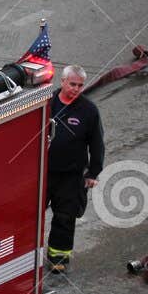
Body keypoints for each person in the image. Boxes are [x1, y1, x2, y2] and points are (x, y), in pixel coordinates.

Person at [45, 65, 104, 274]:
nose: (76, 89)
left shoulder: (89, 111)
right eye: (72, 84)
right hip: (43, 172)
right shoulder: (46, 103)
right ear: (62, 81)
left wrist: (93, 172)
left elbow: (97, 143)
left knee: (65, 217)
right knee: (30, 214)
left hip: (71, 176)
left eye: (80, 85)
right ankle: (24, 255)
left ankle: (58, 257)